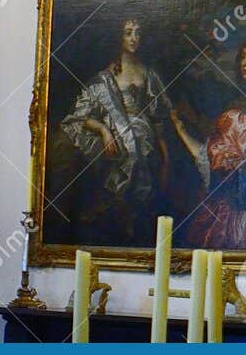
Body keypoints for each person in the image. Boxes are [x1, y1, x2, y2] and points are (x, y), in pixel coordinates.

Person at [60, 18, 171, 246]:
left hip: (143, 131)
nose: (133, 38)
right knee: (127, 148)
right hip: (114, 131)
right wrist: (104, 130)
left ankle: (133, 216)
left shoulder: (148, 73)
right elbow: (81, 115)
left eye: (137, 33)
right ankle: (117, 212)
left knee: (140, 144)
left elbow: (158, 116)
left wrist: (166, 153)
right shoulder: (106, 75)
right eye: (128, 33)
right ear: (118, 38)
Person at [170, 38, 246, 249]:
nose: (244, 63)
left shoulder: (245, 111)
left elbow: (215, 163)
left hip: (230, 209)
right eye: (243, 57)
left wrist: (180, 129)